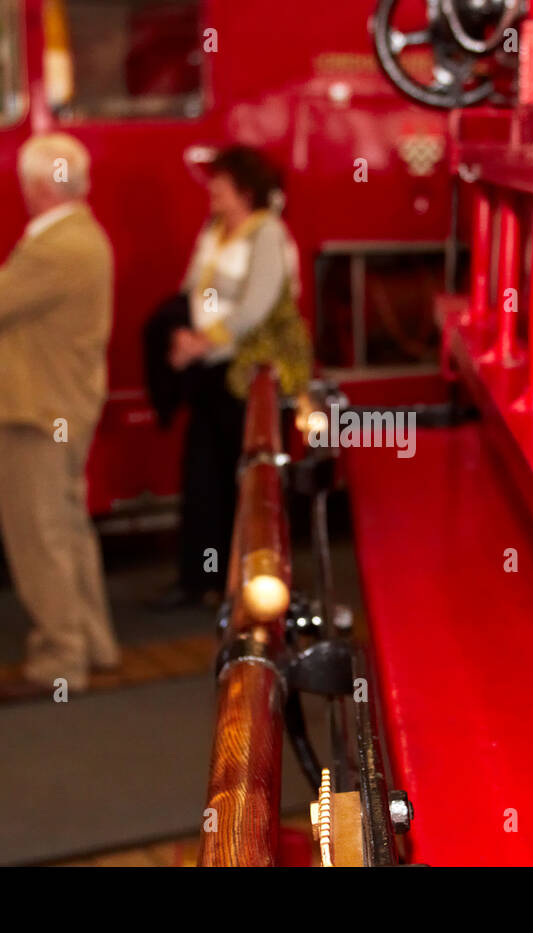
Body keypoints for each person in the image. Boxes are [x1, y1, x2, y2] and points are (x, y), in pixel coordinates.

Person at [0, 132, 119, 700]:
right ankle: (93, 644)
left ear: (35, 185)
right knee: (67, 529)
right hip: (60, 406)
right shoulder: (83, 240)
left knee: (39, 537)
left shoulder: (56, 246)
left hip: (33, 409)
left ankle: (59, 660)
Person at [145, 144, 311, 609]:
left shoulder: (267, 235)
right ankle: (203, 578)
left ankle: (251, 585)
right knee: (204, 475)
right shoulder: (216, 229)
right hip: (214, 372)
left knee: (251, 485)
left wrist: (203, 341)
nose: (212, 193)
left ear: (245, 190)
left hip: (252, 374)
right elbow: (193, 287)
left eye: (219, 186)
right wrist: (186, 336)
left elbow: (257, 307)